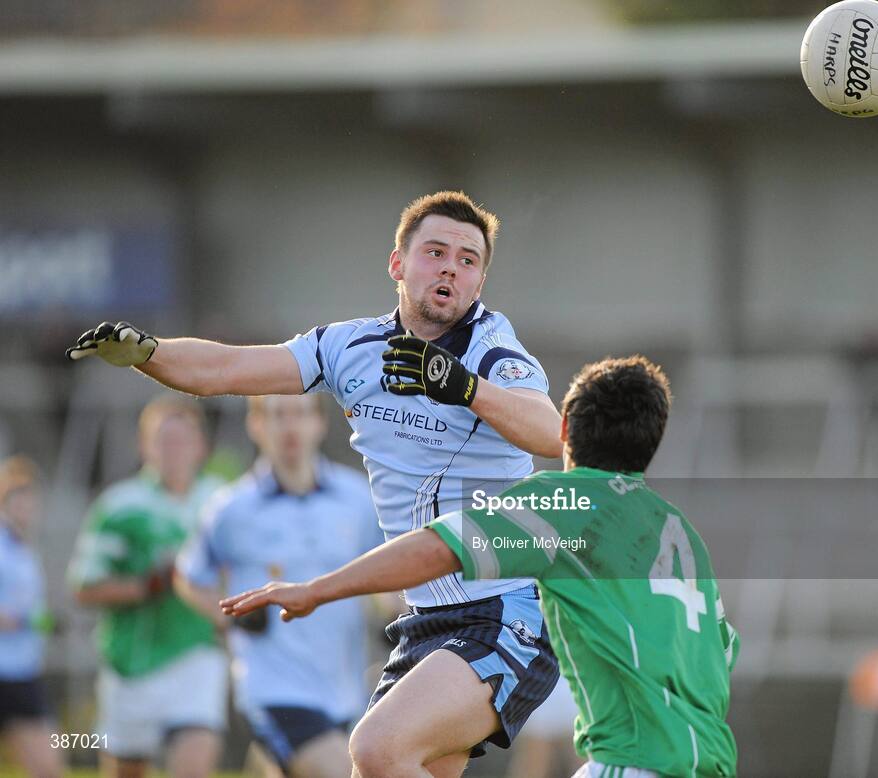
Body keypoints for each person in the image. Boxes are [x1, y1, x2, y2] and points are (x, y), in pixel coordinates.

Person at [66, 191, 564, 778]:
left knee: (376, 749)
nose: (451, 267)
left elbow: (554, 434)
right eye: (435, 252)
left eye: (468, 259)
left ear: (479, 282)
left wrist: (462, 388)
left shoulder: (494, 353)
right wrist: (149, 353)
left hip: (508, 609)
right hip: (426, 618)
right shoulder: (349, 348)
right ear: (398, 265)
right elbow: (226, 369)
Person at [221, 356, 741, 778]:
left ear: (563, 429)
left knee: (376, 749)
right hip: (710, 763)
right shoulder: (680, 533)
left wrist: (317, 590)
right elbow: (722, 650)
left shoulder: (570, 502)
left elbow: (437, 549)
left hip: (635, 764)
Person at [175, 394, 382, 778]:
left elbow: (383, 575)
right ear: (256, 426)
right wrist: (231, 618)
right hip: (272, 685)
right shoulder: (231, 508)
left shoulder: (357, 498)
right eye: (277, 416)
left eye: (300, 415)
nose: (290, 427)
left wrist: (394, 612)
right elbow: (189, 577)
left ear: (319, 423)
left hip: (343, 689)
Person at [68, 395, 227, 778]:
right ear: (145, 447)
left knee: (195, 757)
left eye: (182, 440)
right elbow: (84, 587)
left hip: (197, 653)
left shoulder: (223, 502)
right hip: (132, 663)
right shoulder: (120, 506)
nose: (173, 450)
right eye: (163, 440)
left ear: (201, 447)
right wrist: (148, 585)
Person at [0, 456, 64, 778]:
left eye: (30, 498)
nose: (25, 506)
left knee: (48, 767)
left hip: (22, 672)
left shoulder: (25, 549)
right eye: (17, 497)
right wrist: (26, 621)